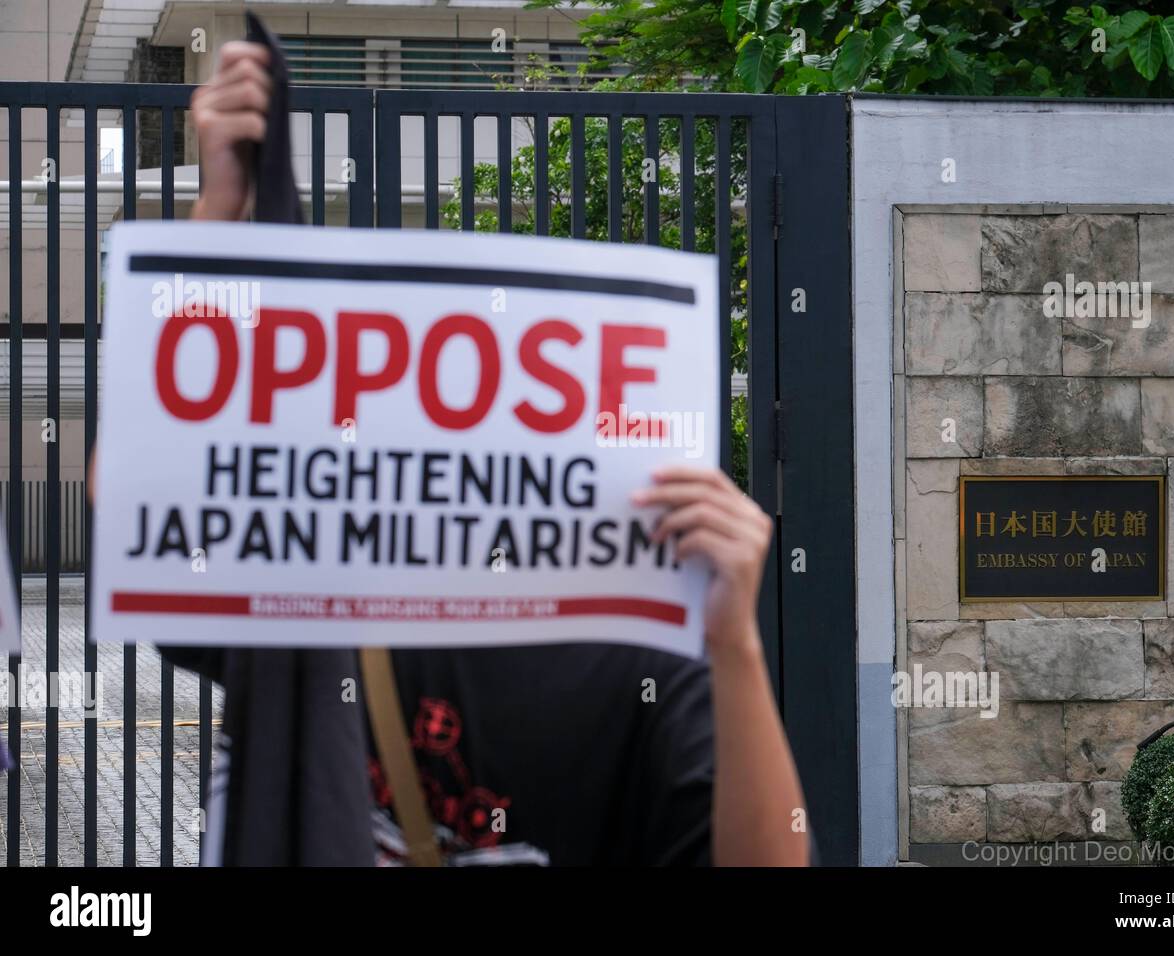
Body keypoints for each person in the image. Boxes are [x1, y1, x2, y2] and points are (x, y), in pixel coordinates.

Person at [170, 39, 810, 866]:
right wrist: (217, 218)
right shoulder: (331, 588)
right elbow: (140, 514)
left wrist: (737, 647)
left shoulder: (646, 650)